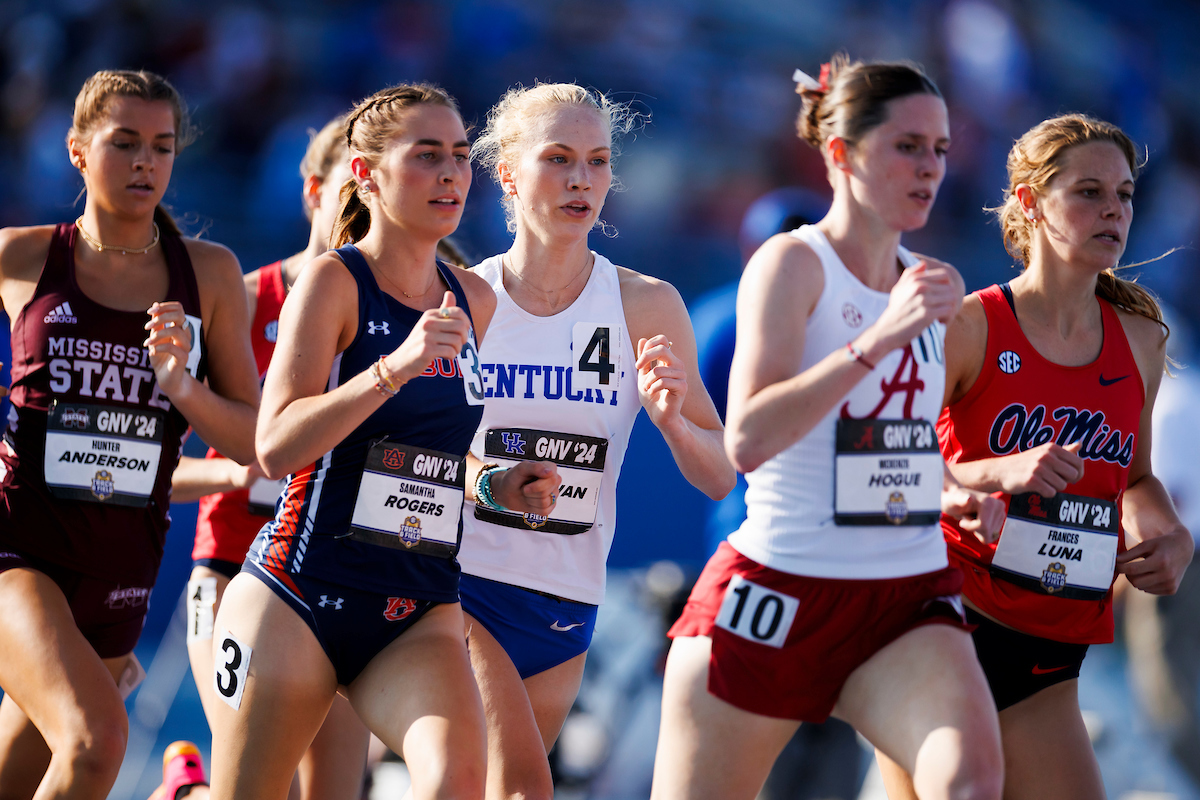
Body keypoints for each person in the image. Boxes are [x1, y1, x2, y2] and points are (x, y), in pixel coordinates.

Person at [650, 56, 1006, 800]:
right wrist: (877, 339)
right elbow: (747, 439)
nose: (931, 167)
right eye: (908, 146)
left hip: (902, 593)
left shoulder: (934, 281)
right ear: (841, 154)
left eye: (941, 149)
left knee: (970, 784)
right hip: (778, 586)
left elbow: (893, 452)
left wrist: (960, 492)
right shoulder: (792, 264)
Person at [880, 113, 1194, 800]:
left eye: (1126, 194)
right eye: (1088, 192)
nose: (1114, 209)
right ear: (1029, 202)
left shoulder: (1141, 339)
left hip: (1049, 652)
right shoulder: (968, 325)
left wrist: (1167, 532)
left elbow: (1135, 478)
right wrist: (991, 474)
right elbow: (880, 462)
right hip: (939, 620)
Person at [205, 83, 495, 800]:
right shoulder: (332, 282)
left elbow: (442, 457)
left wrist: (498, 482)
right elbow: (273, 446)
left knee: (456, 784)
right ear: (366, 174)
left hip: (417, 607)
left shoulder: (475, 299)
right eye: (427, 156)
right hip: (299, 592)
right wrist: (393, 368)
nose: (452, 173)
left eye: (460, 155)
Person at [458, 82, 735, 800]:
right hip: (459, 585)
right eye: (558, 158)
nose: (582, 179)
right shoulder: (461, 297)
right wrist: (493, 481)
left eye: (598, 160)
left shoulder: (646, 303)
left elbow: (718, 475)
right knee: (520, 787)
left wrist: (672, 419)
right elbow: (411, 455)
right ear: (509, 174)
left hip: (566, 598)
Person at [0, 69, 260, 799]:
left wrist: (181, 385)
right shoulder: (21, 256)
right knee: (94, 745)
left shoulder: (207, 274)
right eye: (124, 143)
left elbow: (253, 439)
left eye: (161, 145)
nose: (146, 161)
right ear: (78, 150)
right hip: (20, 548)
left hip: (122, 570)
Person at [164, 113, 371, 800]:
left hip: (342, 584)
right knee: (256, 783)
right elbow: (146, 467)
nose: (364, 213)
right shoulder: (244, 302)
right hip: (233, 574)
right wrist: (236, 468)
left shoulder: (404, 317)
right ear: (315, 192)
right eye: (351, 192)